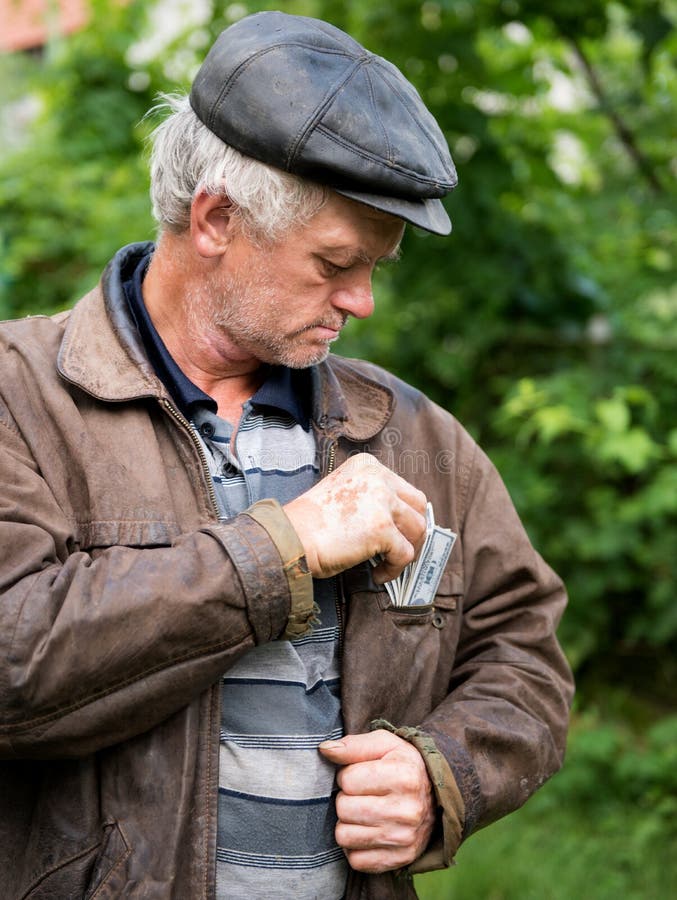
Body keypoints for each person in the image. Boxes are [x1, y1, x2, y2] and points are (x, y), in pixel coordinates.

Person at [0, 11, 574, 900]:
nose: (363, 302)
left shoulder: (415, 435)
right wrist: (283, 552)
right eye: (335, 263)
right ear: (217, 219)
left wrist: (442, 775)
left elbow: (522, 655)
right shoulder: (20, 396)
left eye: (376, 267)